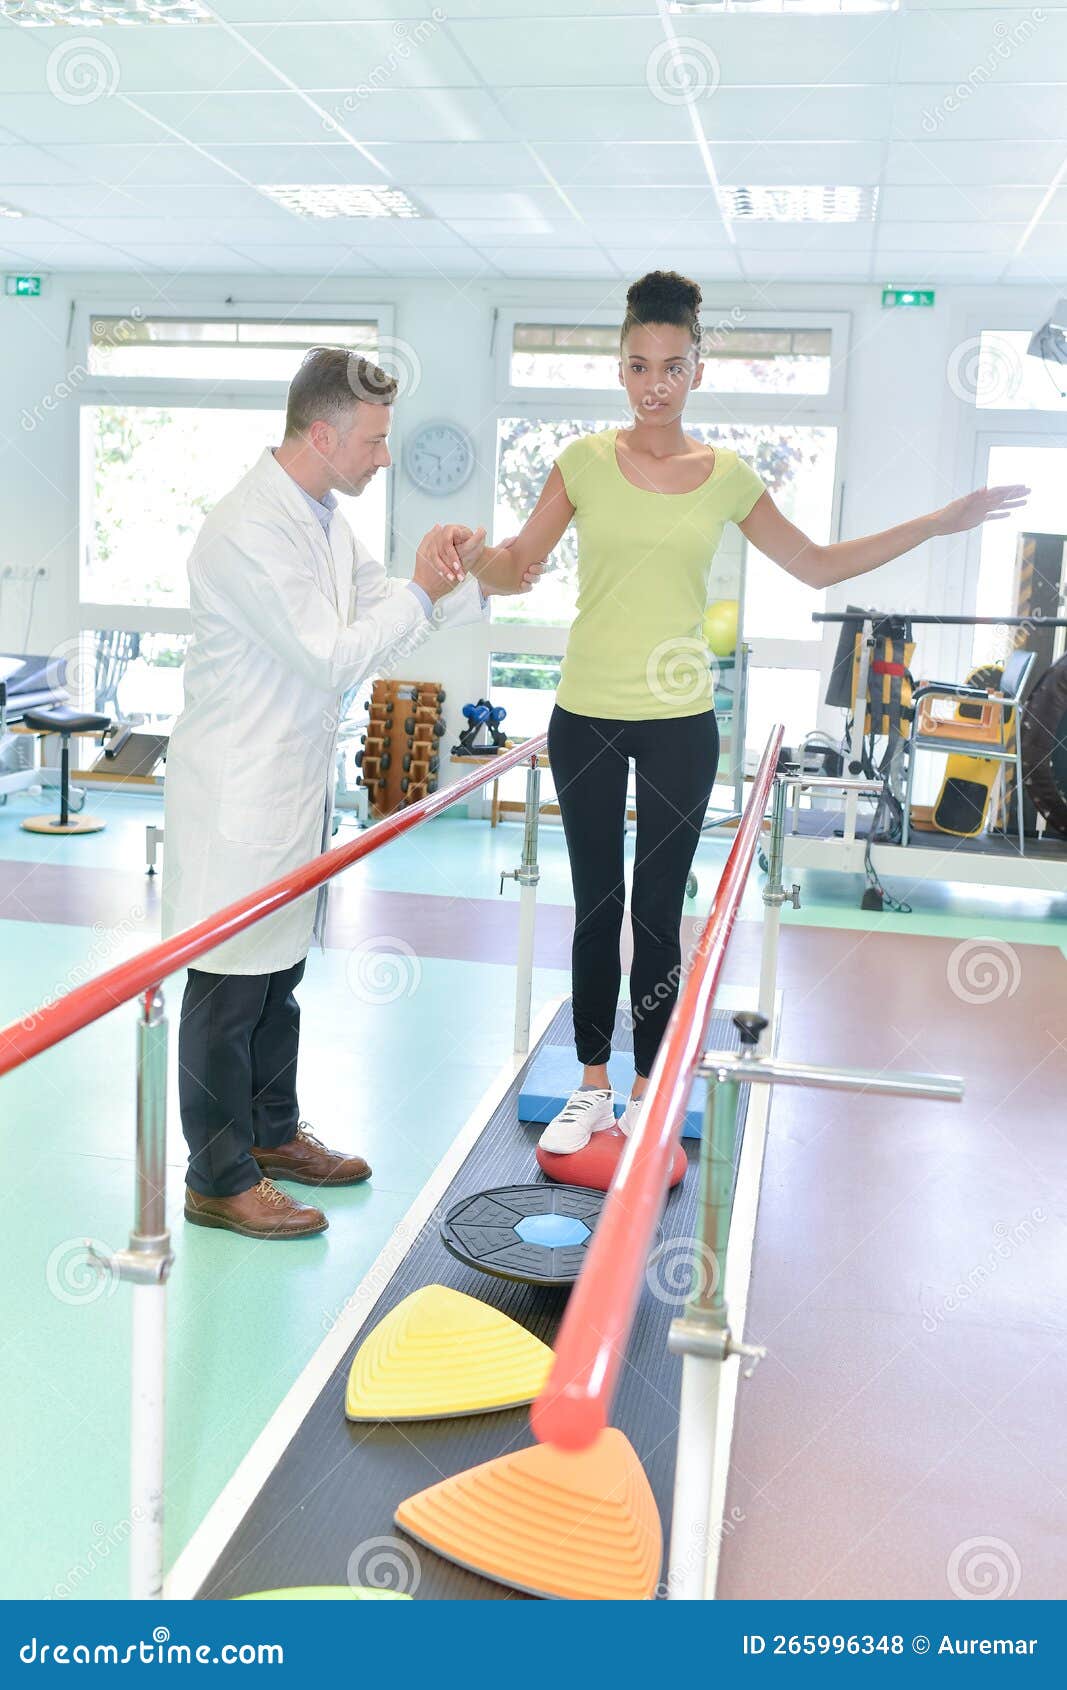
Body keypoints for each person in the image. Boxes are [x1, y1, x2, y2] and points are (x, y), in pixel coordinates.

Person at [472, 270, 1029, 1153]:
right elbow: (517, 567)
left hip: (679, 722)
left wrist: (936, 522)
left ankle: (649, 1084)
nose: (654, 382)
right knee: (594, 903)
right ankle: (590, 1084)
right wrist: (473, 559)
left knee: (656, 910)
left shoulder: (725, 477)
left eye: (671, 366)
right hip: (585, 711)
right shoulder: (578, 462)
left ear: (697, 369)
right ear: (619, 370)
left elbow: (815, 565)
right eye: (636, 365)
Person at [162, 347, 542, 1239]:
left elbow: (381, 617)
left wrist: (441, 580)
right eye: (373, 441)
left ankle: (270, 1134)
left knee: (277, 979)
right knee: (226, 990)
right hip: (235, 790)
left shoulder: (324, 518)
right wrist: (418, 588)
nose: (383, 456)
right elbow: (332, 654)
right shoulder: (246, 530)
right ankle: (216, 1178)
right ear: (324, 433)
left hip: (290, 788)